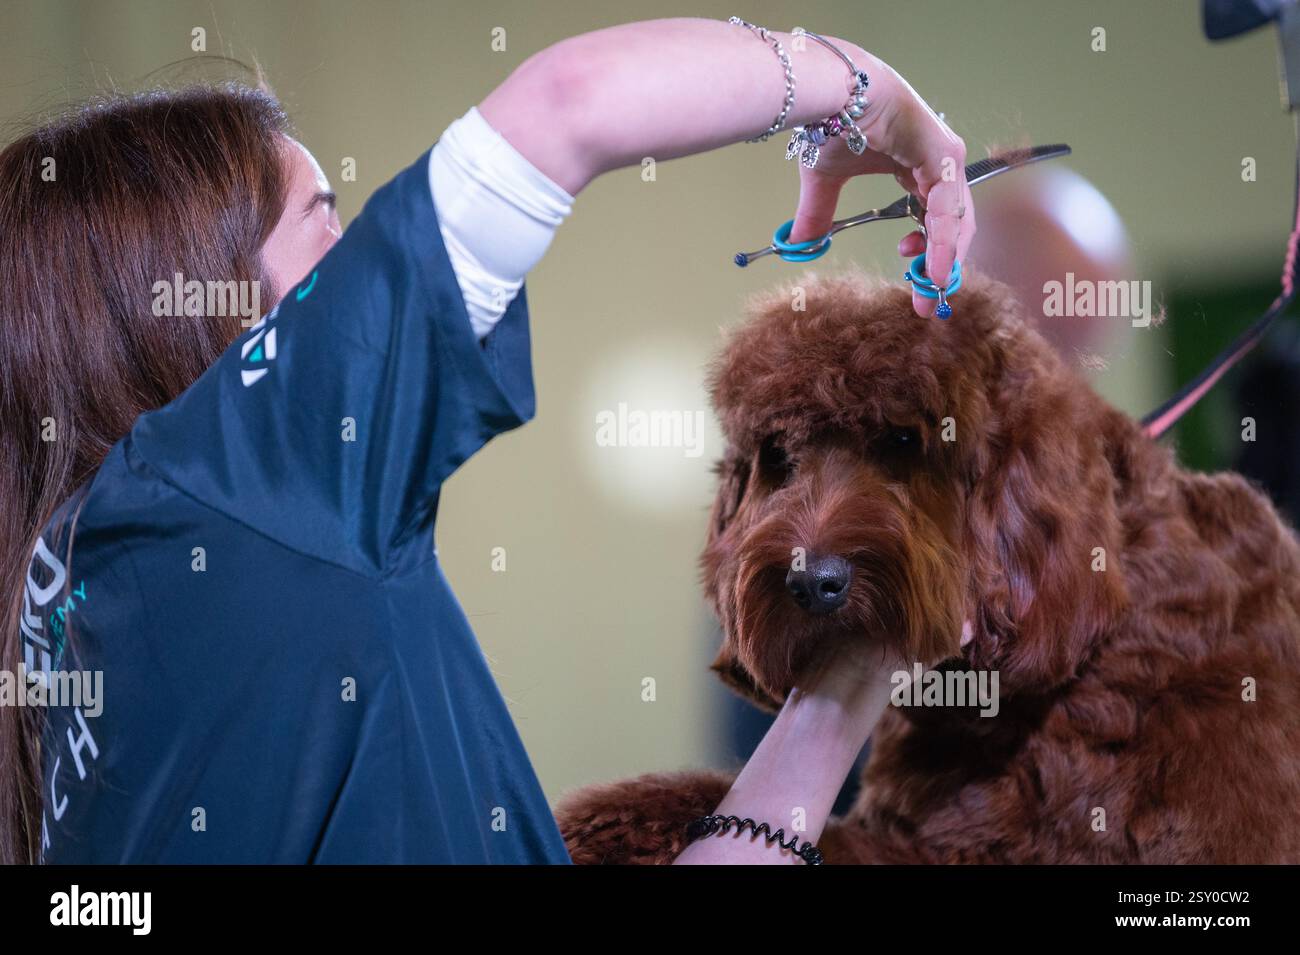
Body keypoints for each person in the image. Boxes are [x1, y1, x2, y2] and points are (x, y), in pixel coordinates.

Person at [0, 16, 974, 864]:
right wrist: (869, 99)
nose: (358, 263)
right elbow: (571, 101)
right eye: (322, 226)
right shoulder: (242, 469)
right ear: (185, 301)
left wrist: (852, 676)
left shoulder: (97, 587)